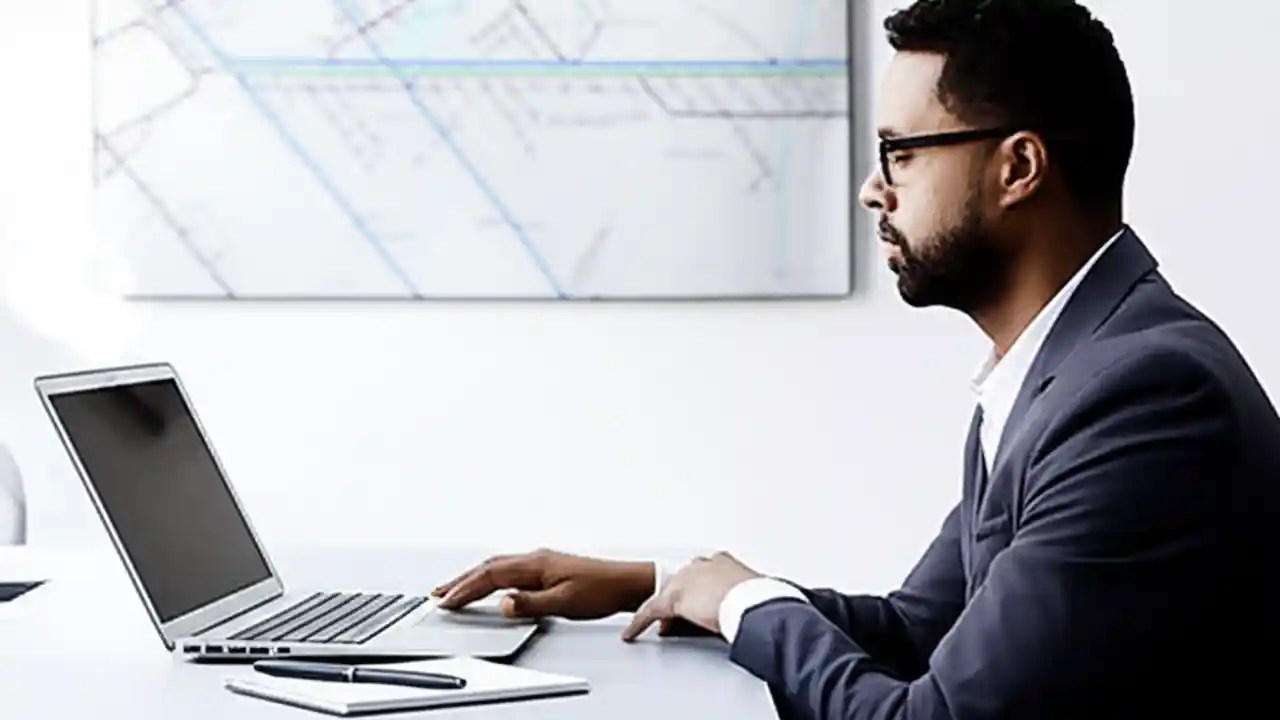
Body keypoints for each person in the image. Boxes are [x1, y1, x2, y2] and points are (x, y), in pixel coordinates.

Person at [431, 1, 1280, 717]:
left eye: (900, 153)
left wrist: (740, 601)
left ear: (1019, 166)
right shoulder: (1070, 366)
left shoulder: (1146, 396)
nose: (875, 189)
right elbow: (920, 631)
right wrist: (669, 583)